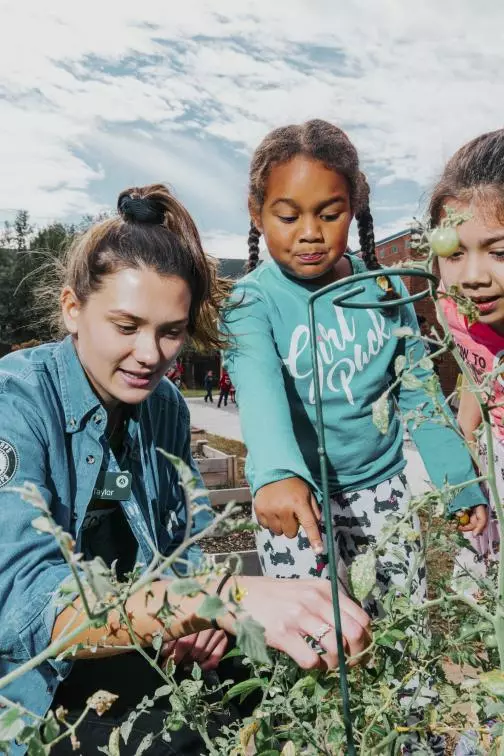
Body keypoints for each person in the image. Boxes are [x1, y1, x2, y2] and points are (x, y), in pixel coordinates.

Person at [0, 183, 370, 755]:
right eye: (126, 326)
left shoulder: (163, 406)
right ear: (73, 309)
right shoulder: (17, 402)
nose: (151, 354)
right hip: (40, 688)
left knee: (287, 698)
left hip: (144, 645)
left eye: (170, 332)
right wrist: (215, 597)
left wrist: (204, 619)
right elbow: (28, 609)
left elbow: (181, 539)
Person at [222, 120, 488, 752]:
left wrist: (458, 482)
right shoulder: (251, 302)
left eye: (329, 213)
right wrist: (276, 475)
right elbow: (257, 391)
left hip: (383, 498)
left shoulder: (384, 288)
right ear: (258, 214)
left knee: (402, 640)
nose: (309, 233)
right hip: (298, 510)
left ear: (355, 209)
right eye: (287, 216)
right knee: (324, 651)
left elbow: (419, 389)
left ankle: (413, 739)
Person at [430, 129, 504, 596]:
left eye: (499, 252)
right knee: (481, 598)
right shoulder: (450, 303)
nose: (473, 277)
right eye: (454, 254)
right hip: (496, 454)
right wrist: (467, 442)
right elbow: (475, 371)